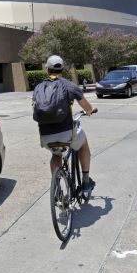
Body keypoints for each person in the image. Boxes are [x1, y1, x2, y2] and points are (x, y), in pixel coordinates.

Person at [35, 55, 96, 196]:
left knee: (56, 154)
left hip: (45, 136)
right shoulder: (69, 86)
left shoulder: (39, 87)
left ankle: (56, 186)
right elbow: (87, 107)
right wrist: (89, 111)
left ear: (47, 70)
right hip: (67, 134)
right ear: (62, 69)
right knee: (83, 144)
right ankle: (86, 181)